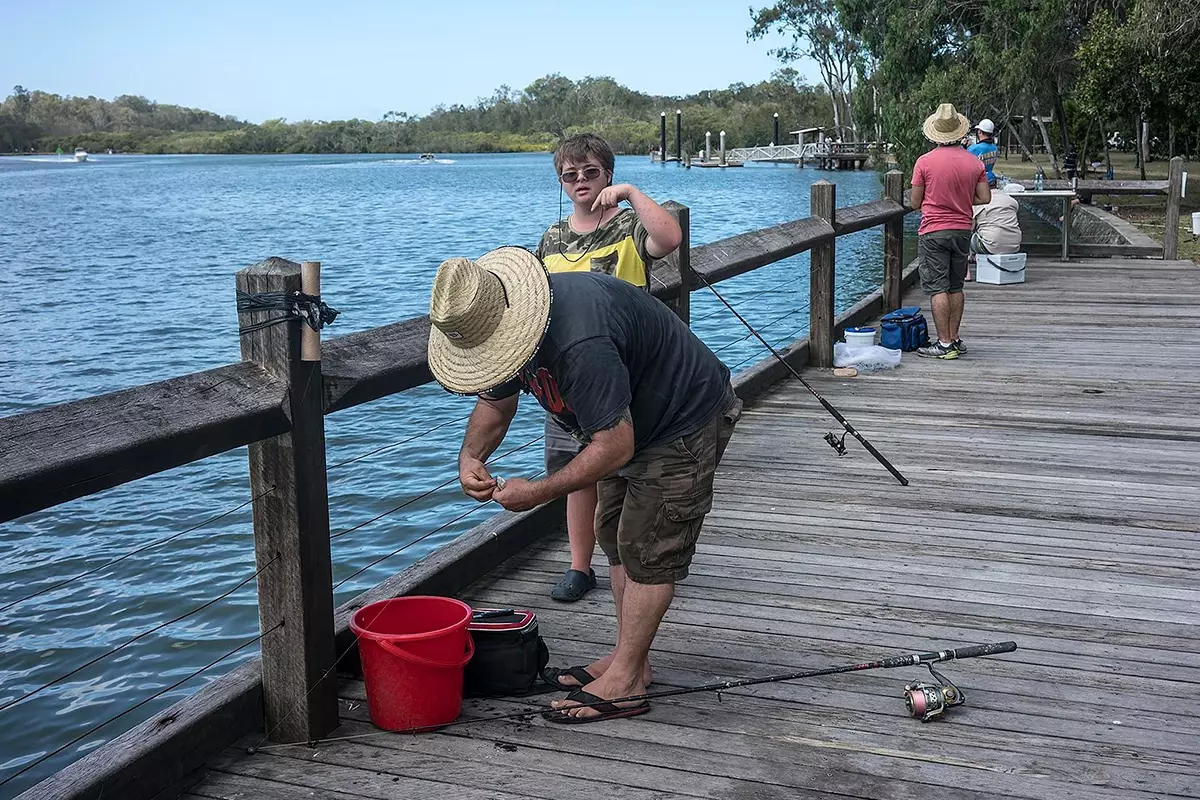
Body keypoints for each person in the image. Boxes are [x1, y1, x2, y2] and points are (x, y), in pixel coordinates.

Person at [427, 247, 741, 722]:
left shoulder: (580, 340)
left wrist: (536, 492)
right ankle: (628, 659)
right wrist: (470, 455)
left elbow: (613, 446)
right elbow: (496, 406)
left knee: (649, 547)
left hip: (684, 418)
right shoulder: (508, 324)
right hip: (629, 421)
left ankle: (629, 681)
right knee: (615, 534)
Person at [534, 133, 682, 603]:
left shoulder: (629, 227)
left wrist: (634, 195)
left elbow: (670, 238)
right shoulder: (552, 238)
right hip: (569, 378)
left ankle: (635, 561)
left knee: (629, 471)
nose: (581, 181)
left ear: (608, 173)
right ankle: (580, 566)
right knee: (575, 472)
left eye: (591, 172)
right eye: (570, 174)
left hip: (630, 372)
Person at [910, 103, 990, 360]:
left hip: (934, 231)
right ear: (959, 131)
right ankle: (955, 338)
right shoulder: (974, 162)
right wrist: (962, 200)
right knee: (955, 286)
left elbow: (914, 202)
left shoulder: (924, 162)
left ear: (935, 132)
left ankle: (944, 343)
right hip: (962, 230)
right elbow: (985, 197)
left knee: (938, 288)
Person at [972, 180, 1022, 257]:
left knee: (964, 237)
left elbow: (971, 227)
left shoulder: (979, 202)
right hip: (1014, 246)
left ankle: (967, 263)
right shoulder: (1011, 200)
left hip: (990, 247)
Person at [967, 118, 999, 186]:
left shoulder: (973, 148)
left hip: (977, 182)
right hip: (990, 178)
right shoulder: (995, 148)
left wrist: (964, 147)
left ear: (980, 132)